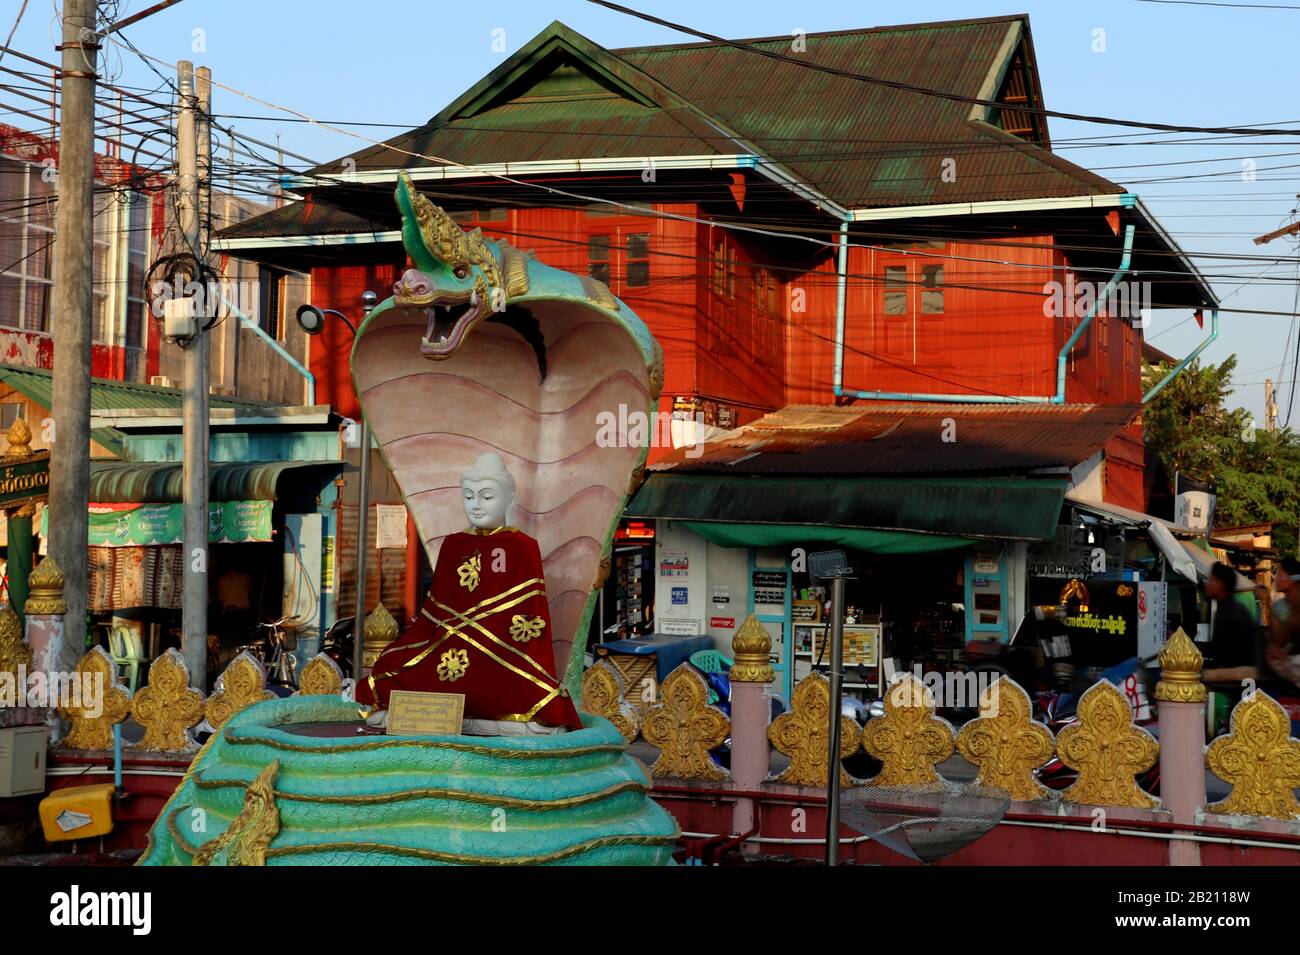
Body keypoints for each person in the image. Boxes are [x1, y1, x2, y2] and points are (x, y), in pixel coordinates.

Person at [355, 452, 582, 735]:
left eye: (486, 497)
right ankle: (434, 714)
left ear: (510, 500)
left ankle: (462, 717)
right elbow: (435, 611)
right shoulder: (454, 545)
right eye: (468, 496)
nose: (475, 505)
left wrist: (484, 636)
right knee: (388, 669)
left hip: (501, 651)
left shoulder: (522, 546)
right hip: (447, 648)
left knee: (535, 704)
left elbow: (529, 616)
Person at [1201, 561, 1261, 692]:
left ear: (1221, 584)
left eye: (1211, 580)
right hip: (1235, 668)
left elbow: (1219, 651)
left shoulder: (1230, 612)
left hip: (1241, 673)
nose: (1207, 584)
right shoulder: (1229, 607)